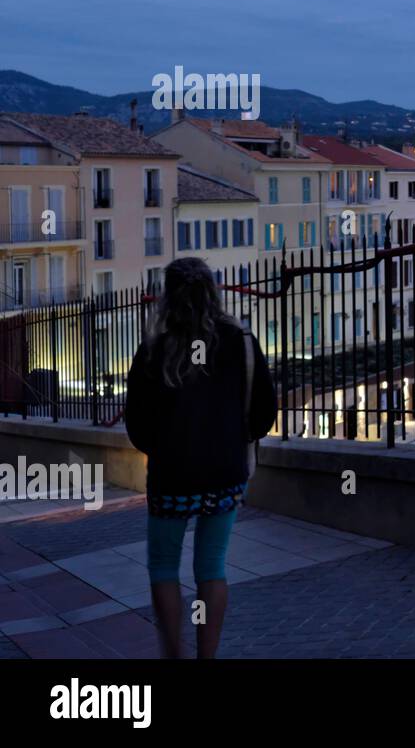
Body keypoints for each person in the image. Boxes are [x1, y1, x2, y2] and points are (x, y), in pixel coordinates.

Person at [125, 258, 275, 658]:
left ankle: (173, 653)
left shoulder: (154, 348)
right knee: (211, 567)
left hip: (172, 475)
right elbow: (264, 412)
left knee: (163, 566)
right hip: (225, 472)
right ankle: (206, 656)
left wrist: (164, 447)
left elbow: (136, 422)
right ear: (213, 291)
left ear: (167, 297)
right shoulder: (241, 340)